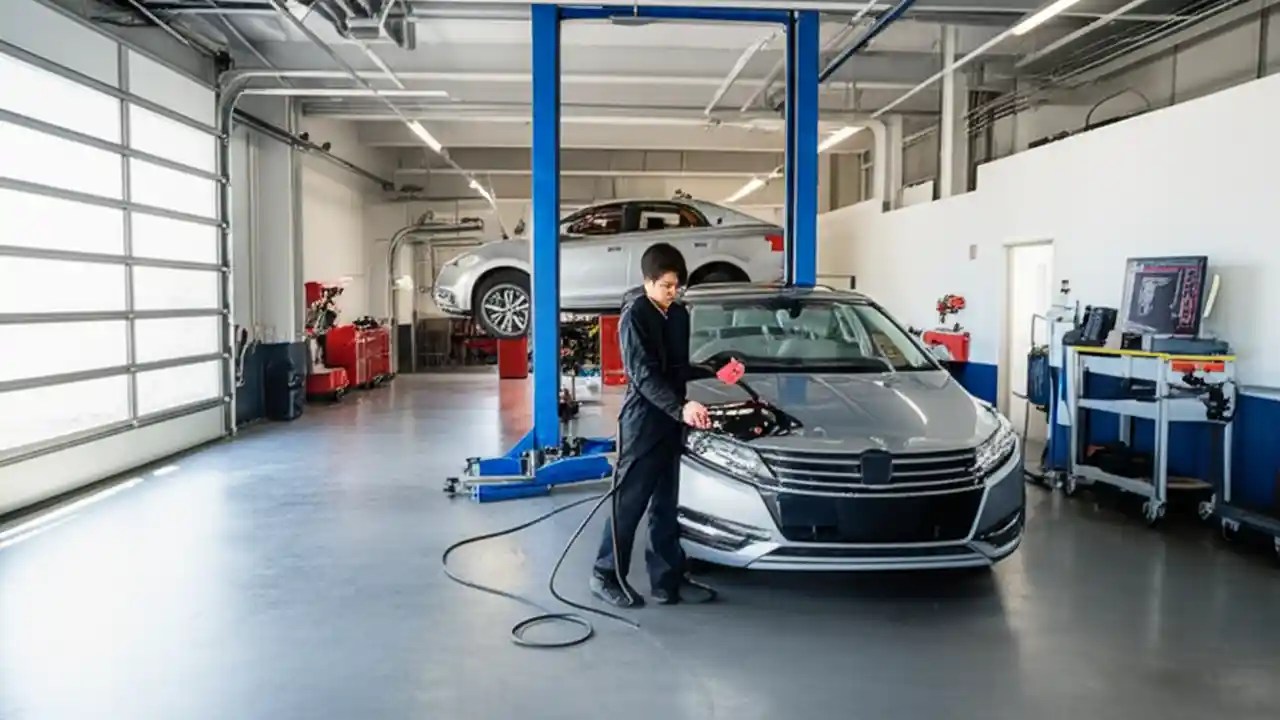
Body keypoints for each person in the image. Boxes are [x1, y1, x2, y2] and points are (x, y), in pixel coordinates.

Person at [590, 242, 714, 607]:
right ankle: (605, 574)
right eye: (667, 286)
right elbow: (643, 375)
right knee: (629, 503)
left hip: (671, 422)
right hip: (643, 423)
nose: (673, 293)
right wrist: (680, 407)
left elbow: (675, 368)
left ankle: (667, 580)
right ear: (648, 282)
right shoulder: (635, 316)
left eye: (678, 287)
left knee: (666, 505)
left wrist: (713, 368)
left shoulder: (678, 315)